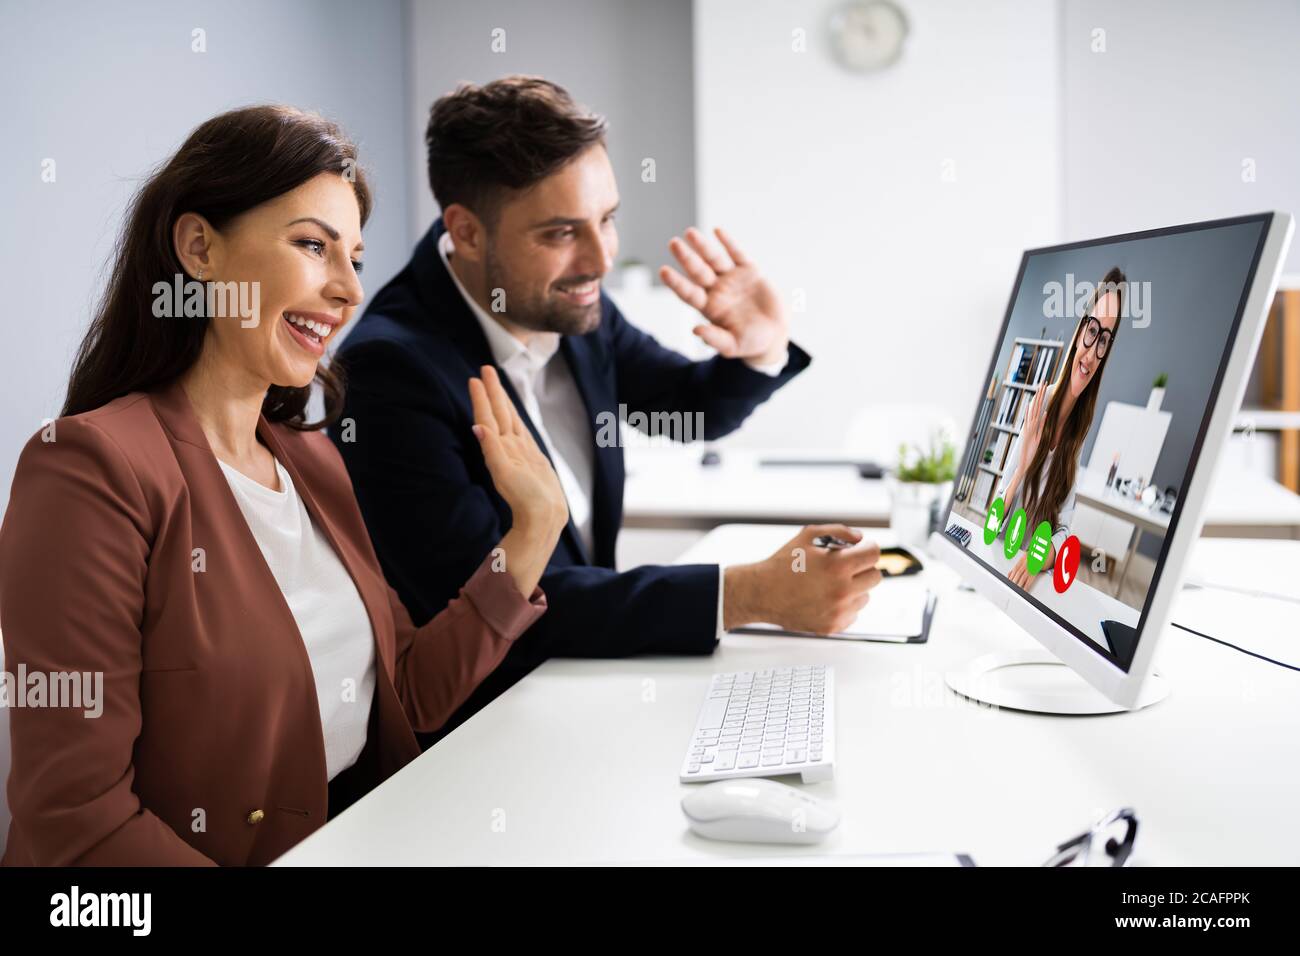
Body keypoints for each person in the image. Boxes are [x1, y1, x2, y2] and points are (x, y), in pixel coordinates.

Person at [0, 106, 569, 865]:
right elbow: (77, 822)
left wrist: (528, 537)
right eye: (313, 246)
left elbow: (402, 692)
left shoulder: (311, 461)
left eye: (356, 259)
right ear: (199, 248)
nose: (348, 290)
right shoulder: (90, 471)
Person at [332, 76, 883, 738]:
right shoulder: (389, 373)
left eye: (608, 219)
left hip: (583, 689)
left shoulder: (566, 297)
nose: (602, 258)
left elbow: (683, 406)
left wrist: (758, 350)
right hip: (486, 732)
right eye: (562, 232)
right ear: (468, 232)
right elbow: (507, 607)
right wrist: (751, 594)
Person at [1002, 267, 1125, 588]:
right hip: (999, 555)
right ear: (1080, 328)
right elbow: (993, 513)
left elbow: (1064, 525)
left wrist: (1040, 556)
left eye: (1105, 340)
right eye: (1092, 330)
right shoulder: (1038, 406)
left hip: (1028, 575)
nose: (1093, 350)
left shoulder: (1079, 429)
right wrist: (1021, 470)